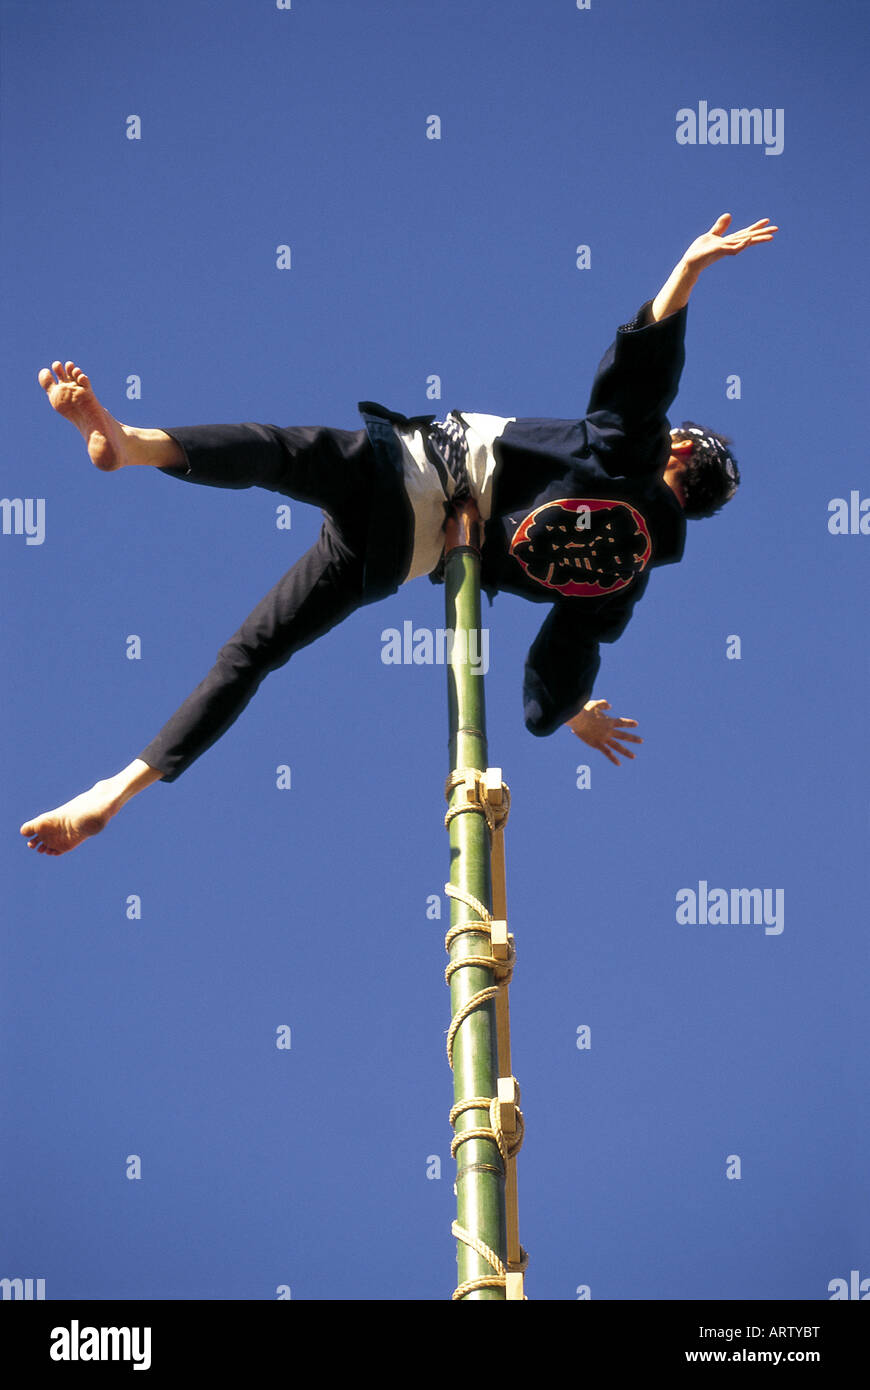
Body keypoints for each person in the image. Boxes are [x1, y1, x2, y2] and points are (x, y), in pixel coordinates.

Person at [20, 213, 777, 856]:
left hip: (413, 474)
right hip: (394, 556)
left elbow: (644, 374)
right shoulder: (619, 586)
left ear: (677, 450)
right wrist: (574, 712)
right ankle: (116, 791)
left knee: (278, 452)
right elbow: (546, 691)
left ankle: (135, 444)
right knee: (252, 653)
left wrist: (687, 269)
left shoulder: (631, 455)